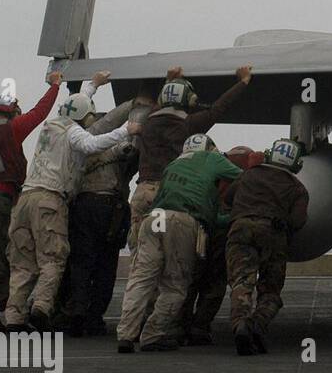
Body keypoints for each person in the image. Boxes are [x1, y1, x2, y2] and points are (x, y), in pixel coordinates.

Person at [4, 73, 138, 331]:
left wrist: (94, 85)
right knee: (53, 258)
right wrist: (126, 130)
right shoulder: (75, 134)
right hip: (49, 200)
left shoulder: (53, 124)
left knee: (22, 263)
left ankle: (13, 318)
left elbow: (78, 103)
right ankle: (41, 309)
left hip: (25, 199)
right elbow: (94, 142)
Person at [116, 134, 241, 352]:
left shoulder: (173, 164)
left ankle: (126, 334)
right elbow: (245, 178)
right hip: (182, 220)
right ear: (209, 147)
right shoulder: (212, 158)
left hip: (154, 218)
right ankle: (153, 335)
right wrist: (234, 216)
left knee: (142, 279)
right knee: (175, 284)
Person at [0, 73, 62, 332]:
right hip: (0, 200)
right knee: (0, 258)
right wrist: (55, 85)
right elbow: (40, 113)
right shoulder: (12, 128)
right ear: (12, 111)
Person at [129, 65, 251, 251]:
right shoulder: (189, 124)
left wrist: (169, 82)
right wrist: (243, 82)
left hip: (142, 192)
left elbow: (159, 105)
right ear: (190, 100)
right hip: (172, 194)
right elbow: (219, 108)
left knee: (141, 255)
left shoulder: (149, 122)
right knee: (173, 253)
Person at [60, 100, 141, 336]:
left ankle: (76, 312)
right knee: (107, 265)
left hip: (83, 207)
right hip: (112, 210)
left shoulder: (79, 147)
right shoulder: (121, 150)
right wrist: (137, 102)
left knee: (81, 263)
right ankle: (94, 317)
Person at [224, 138, 309, 356]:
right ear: (296, 164)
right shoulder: (296, 187)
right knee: (270, 289)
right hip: (272, 233)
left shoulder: (249, 174)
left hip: (240, 229)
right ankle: (258, 324)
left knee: (242, 282)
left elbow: (228, 198)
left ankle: (240, 325)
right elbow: (298, 221)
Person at [181, 144, 264, 346]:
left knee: (192, 278)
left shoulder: (212, 167)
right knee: (216, 282)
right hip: (224, 231)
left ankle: (180, 326)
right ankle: (200, 327)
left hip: (202, 227)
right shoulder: (245, 173)